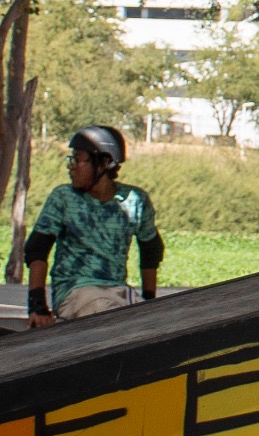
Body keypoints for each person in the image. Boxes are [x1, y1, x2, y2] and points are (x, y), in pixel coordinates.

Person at [25, 126, 162, 324]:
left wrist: (149, 302)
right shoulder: (63, 197)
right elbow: (37, 249)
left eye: (78, 159)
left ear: (104, 163)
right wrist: (37, 306)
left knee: (146, 320)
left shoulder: (135, 200)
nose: (71, 166)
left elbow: (151, 251)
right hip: (75, 291)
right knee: (107, 313)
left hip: (118, 291)